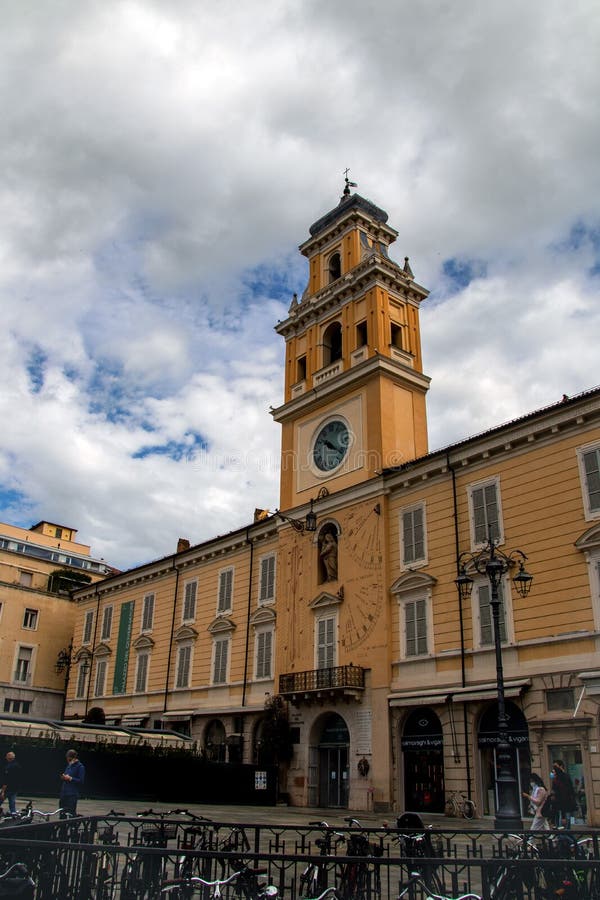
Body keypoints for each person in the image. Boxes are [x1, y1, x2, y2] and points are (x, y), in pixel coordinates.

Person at [59, 748, 85, 818]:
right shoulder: (69, 766)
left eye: (69, 759)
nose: (68, 761)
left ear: (73, 758)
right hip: (64, 793)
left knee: (71, 814)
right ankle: (62, 828)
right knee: (62, 813)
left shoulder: (80, 767)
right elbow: (66, 775)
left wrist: (70, 778)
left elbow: (81, 781)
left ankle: (73, 827)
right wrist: (64, 777)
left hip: (72, 794)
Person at [551, 759, 576, 828]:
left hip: (565, 805)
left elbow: (566, 794)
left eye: (555, 767)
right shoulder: (556, 780)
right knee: (562, 827)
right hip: (559, 807)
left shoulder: (564, 778)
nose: (553, 770)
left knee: (564, 827)